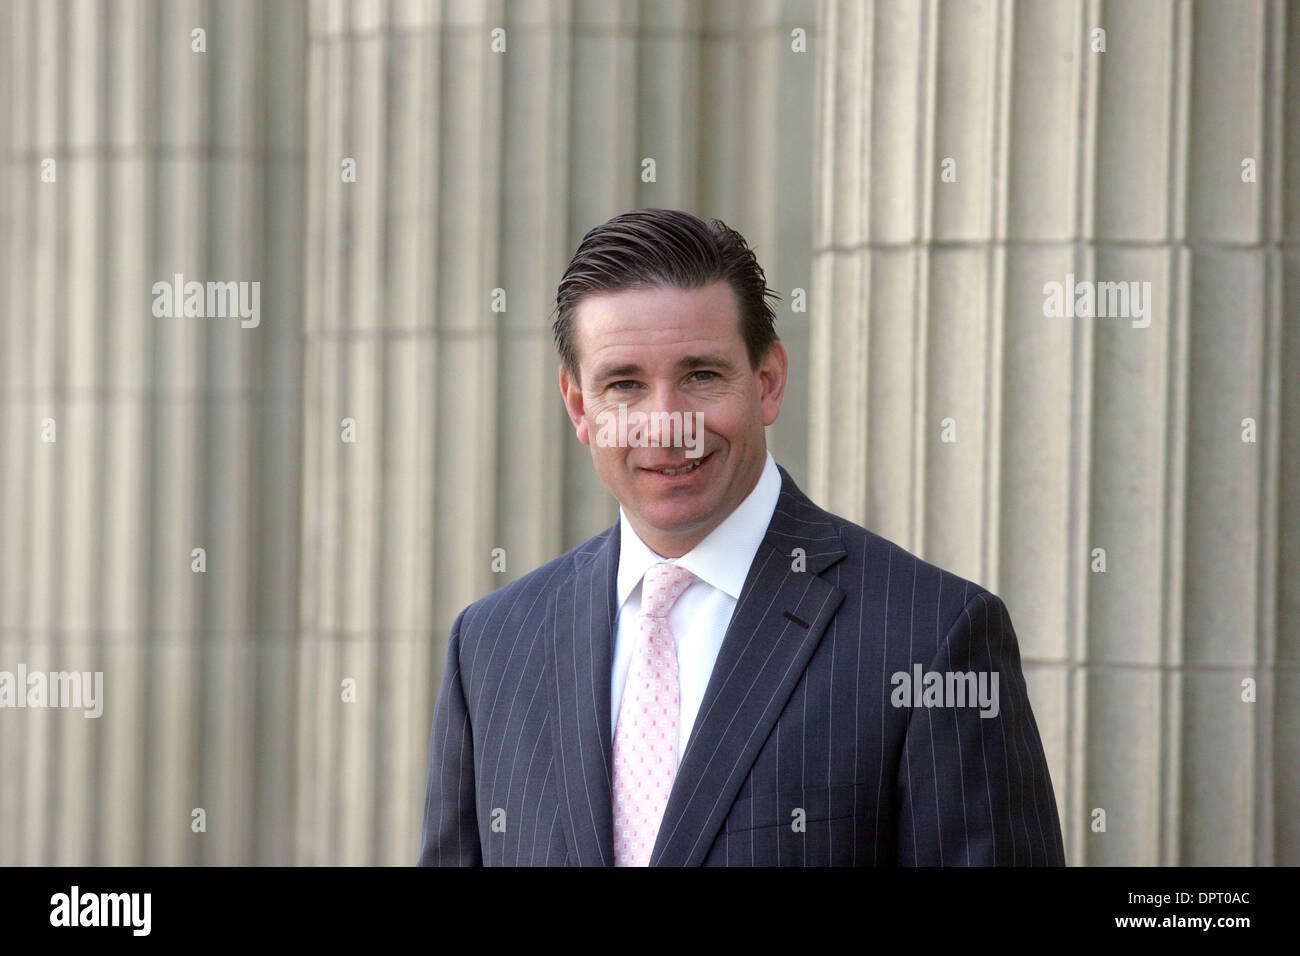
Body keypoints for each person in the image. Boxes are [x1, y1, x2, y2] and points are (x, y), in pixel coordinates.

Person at [419, 208, 1066, 866]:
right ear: (580, 407)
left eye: (700, 375)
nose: (667, 425)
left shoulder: (931, 636)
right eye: (624, 385)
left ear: (768, 382)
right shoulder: (492, 646)